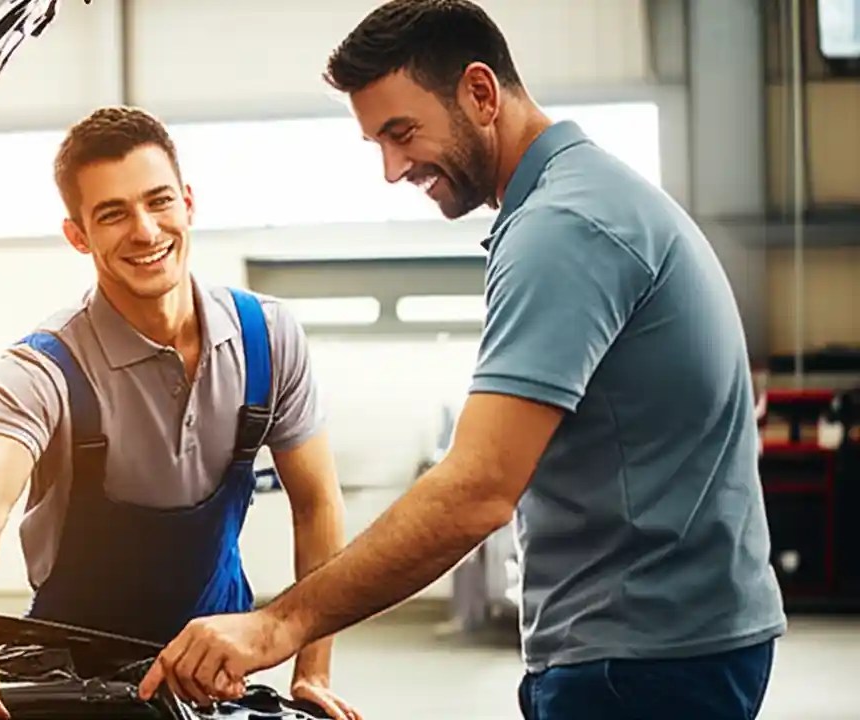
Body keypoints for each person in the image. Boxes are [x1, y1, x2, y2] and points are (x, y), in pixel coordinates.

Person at [136, 1, 787, 718]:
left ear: (480, 92)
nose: (392, 169)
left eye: (401, 132)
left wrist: (276, 625)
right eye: (376, 143)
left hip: (639, 662)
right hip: (665, 643)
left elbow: (479, 488)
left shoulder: (563, 227)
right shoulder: (591, 197)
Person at [0, 106, 360, 720]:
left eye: (159, 201)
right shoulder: (44, 367)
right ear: (78, 236)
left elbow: (317, 505)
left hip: (213, 677)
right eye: (113, 213)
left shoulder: (268, 339)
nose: (145, 231)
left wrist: (313, 671)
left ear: (188, 203)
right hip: (74, 679)